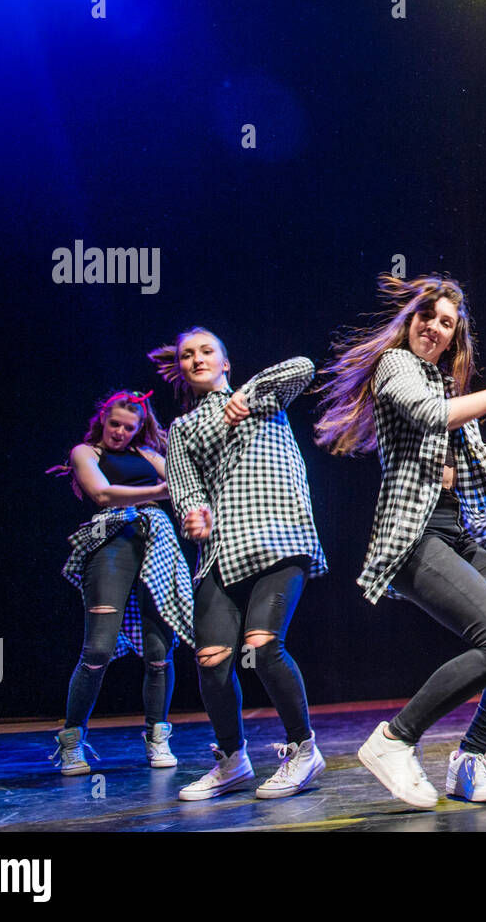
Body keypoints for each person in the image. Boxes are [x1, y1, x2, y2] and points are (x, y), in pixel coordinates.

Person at [314, 274, 486, 808]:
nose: (436, 329)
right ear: (411, 319)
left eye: (447, 324)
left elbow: (460, 461)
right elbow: (427, 416)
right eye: (429, 318)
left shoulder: (445, 385)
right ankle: (394, 739)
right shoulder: (396, 367)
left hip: (455, 534)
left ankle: (469, 760)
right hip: (416, 536)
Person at [150, 328, 328, 800]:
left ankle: (303, 749)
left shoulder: (263, 398)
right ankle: (233, 759)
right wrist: (193, 514)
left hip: (278, 536)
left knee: (264, 645)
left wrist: (249, 392)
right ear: (182, 370)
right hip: (222, 551)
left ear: (226, 363)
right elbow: (187, 489)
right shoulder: (182, 430)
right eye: (187, 355)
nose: (196, 359)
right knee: (211, 661)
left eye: (207, 351)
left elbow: (305, 367)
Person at [49, 390, 194, 775]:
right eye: (115, 424)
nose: (120, 432)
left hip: (158, 539)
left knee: (159, 650)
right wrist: (162, 492)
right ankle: (71, 740)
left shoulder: (148, 456)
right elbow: (101, 493)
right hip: (113, 538)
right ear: (103, 420)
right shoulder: (87, 452)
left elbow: (189, 478)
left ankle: (157, 736)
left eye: (130, 427)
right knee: (98, 648)